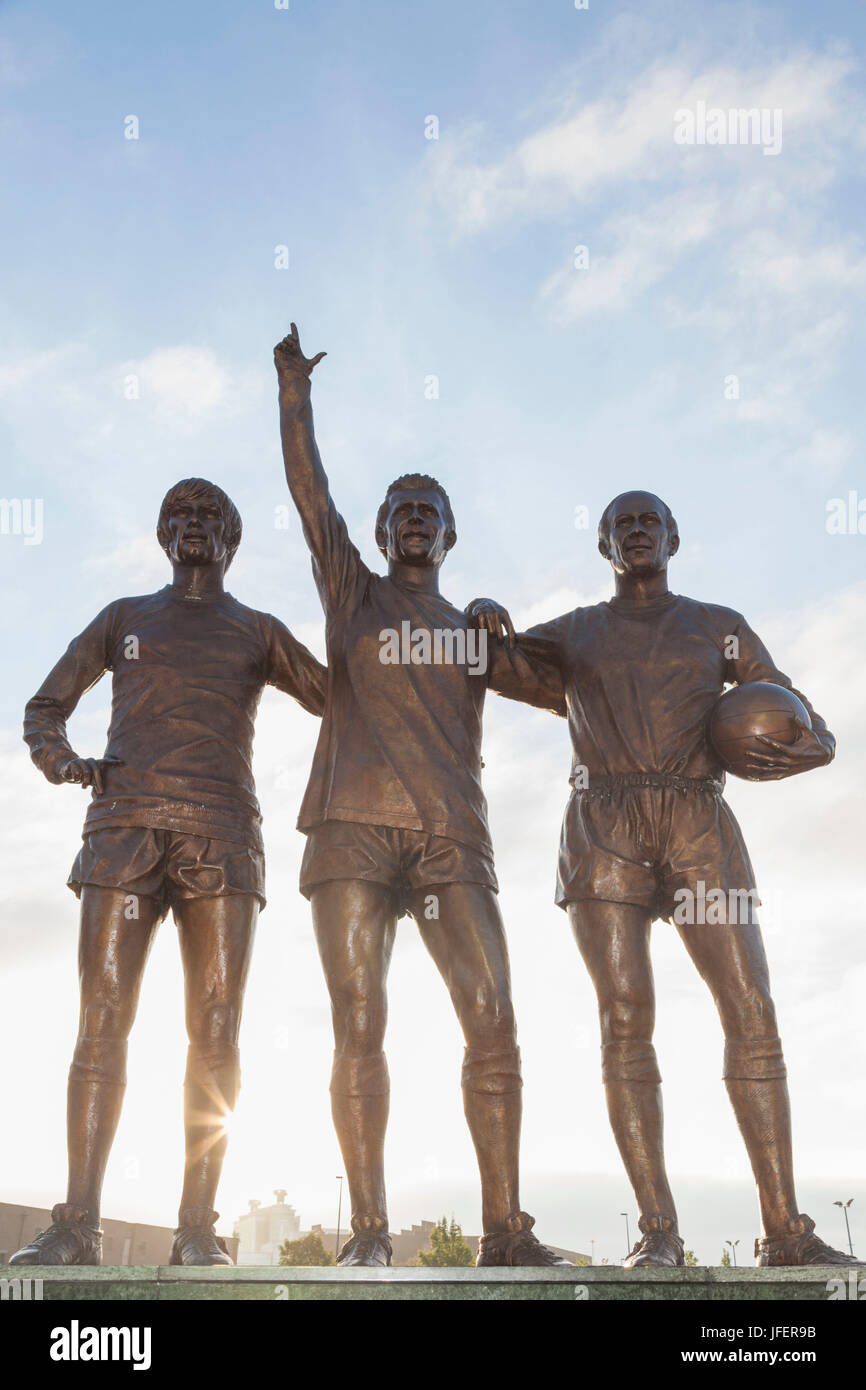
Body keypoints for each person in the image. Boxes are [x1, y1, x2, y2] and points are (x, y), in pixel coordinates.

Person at [473, 489, 860, 1267]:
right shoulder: (578, 631)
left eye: (649, 520)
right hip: (603, 828)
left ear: (673, 537)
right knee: (625, 1022)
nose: (637, 531)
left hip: (698, 823)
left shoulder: (718, 626)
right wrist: (481, 613)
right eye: (622, 524)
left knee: (751, 1008)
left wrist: (804, 749)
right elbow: (494, 663)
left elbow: (804, 718)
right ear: (605, 547)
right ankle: (658, 1234)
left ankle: (785, 1231)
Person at [274, 324, 566, 1267]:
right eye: (398, 505)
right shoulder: (351, 594)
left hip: (450, 838)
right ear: (377, 530)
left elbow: (575, 687)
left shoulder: (476, 629)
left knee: (493, 1019)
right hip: (353, 830)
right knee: (360, 1021)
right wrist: (293, 395)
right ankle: (366, 1232)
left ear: (449, 533)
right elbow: (310, 495)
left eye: (427, 508)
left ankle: (505, 1231)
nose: (411, 517)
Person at [11, 478, 325, 1267]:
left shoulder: (257, 630)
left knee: (215, 1033)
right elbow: (43, 707)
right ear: (162, 535)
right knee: (102, 1021)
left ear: (232, 540)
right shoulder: (124, 618)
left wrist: (386, 630)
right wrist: (63, 762)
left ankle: (195, 1230)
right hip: (121, 833)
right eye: (181, 516)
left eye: (210, 517)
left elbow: (339, 697)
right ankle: (77, 1223)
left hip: (221, 838)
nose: (194, 526)